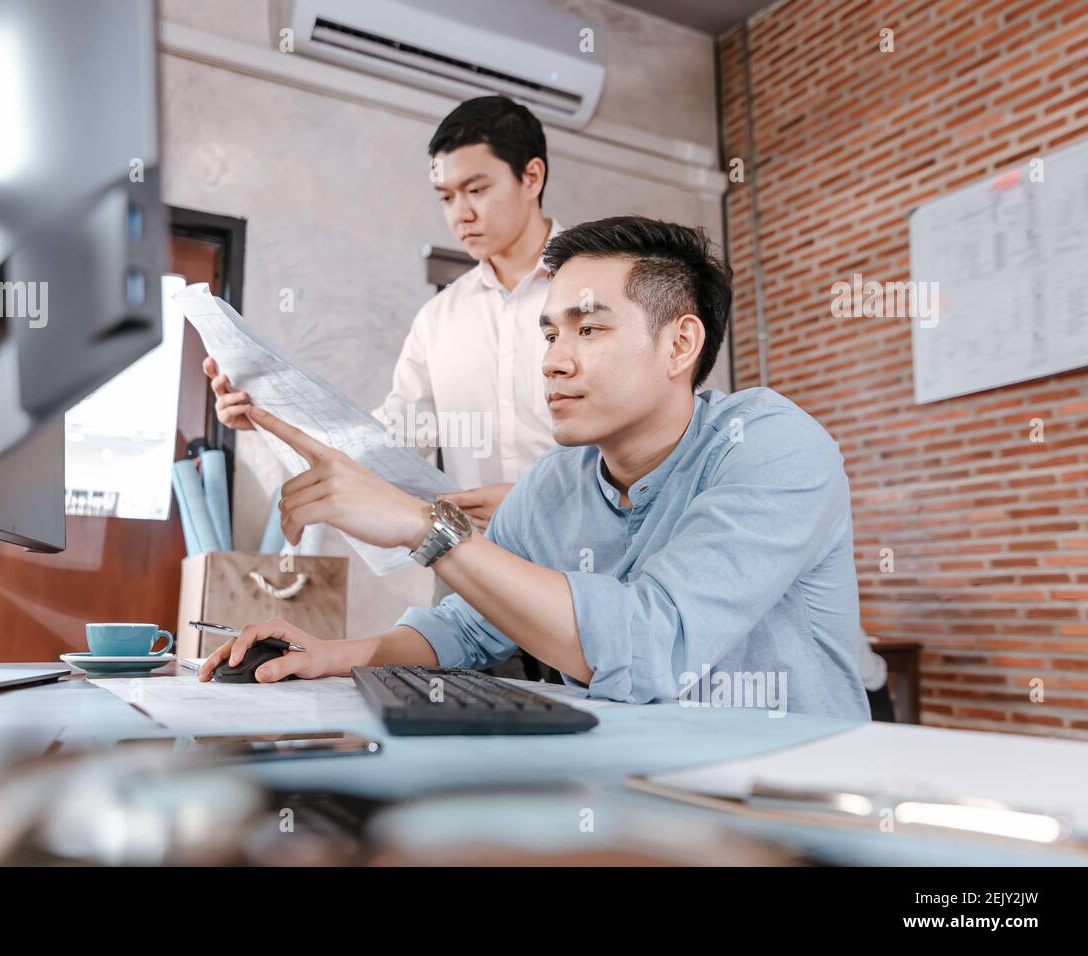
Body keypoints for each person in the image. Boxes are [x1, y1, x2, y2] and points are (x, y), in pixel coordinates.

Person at [198, 216, 872, 720]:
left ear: (680, 345)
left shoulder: (773, 445)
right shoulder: (557, 480)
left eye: (590, 329)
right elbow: (468, 626)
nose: (552, 361)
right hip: (651, 796)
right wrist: (329, 654)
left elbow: (653, 646)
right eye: (549, 333)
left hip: (796, 791)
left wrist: (421, 524)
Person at [205, 95, 565, 679]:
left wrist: (536, 499)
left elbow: (637, 434)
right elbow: (389, 442)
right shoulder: (440, 317)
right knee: (473, 734)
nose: (460, 214)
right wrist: (265, 410)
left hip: (587, 564)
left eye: (476, 190)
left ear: (532, 176)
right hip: (473, 576)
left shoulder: (594, 280)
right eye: (446, 197)